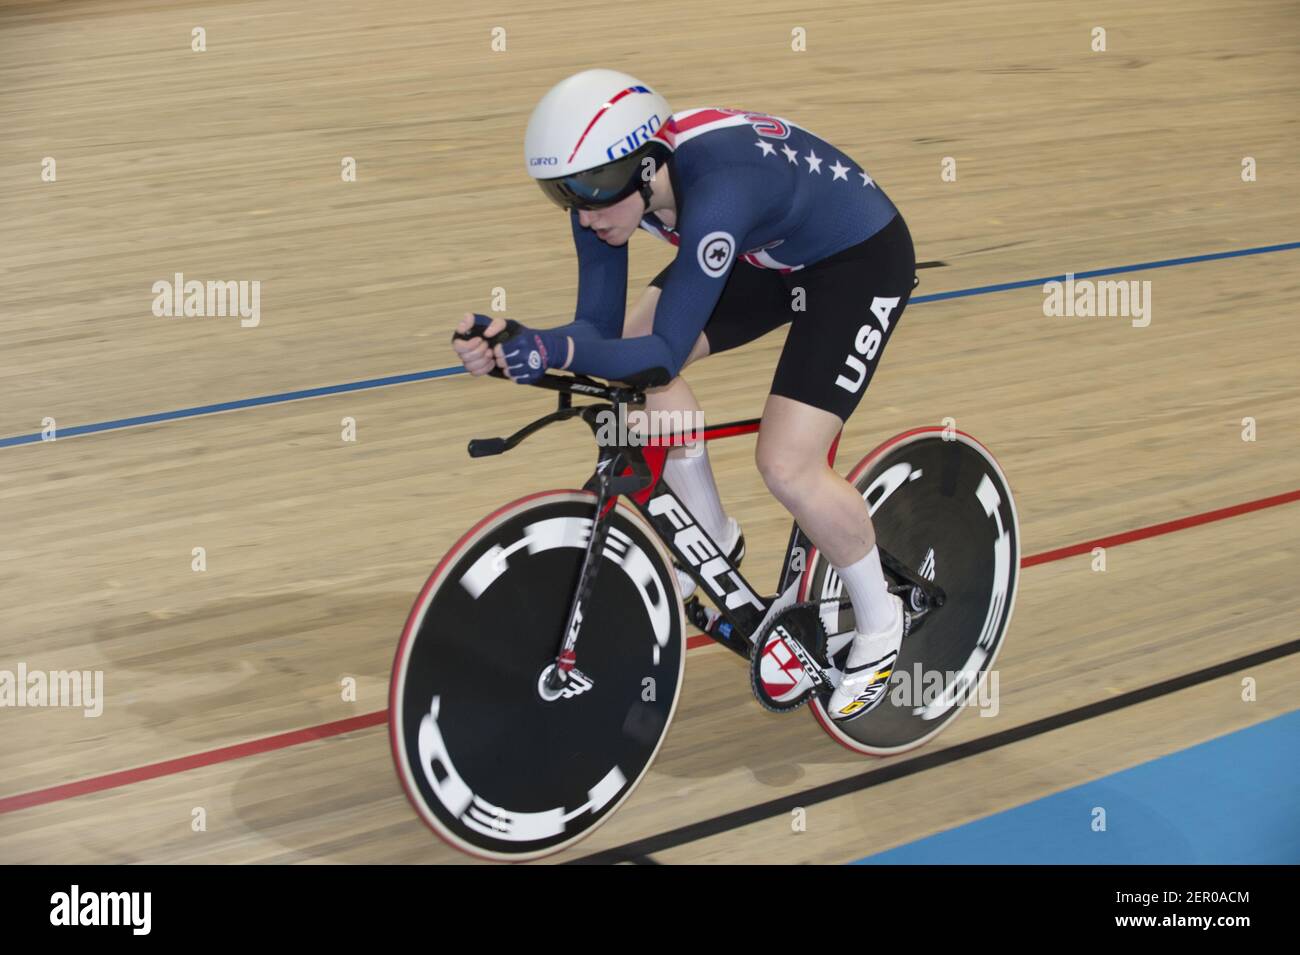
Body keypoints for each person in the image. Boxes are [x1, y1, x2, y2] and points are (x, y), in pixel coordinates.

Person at [452, 69, 916, 721]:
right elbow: (597, 333)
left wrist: (549, 350)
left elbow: (664, 353)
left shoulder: (719, 192)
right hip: (766, 253)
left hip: (854, 261)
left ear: (647, 167)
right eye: (563, 194)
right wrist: (513, 345)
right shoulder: (608, 197)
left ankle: (880, 620)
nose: (583, 212)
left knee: (787, 463)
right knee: (628, 365)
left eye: (592, 189)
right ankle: (712, 537)